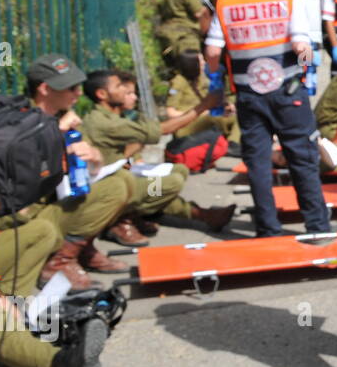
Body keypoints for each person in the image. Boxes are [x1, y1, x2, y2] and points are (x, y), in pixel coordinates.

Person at [204, 0, 334, 238]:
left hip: (248, 95)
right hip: (289, 92)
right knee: (302, 158)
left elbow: (212, 52)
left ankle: (268, 228)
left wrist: (217, 76)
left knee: (258, 162)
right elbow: (302, 44)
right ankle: (317, 227)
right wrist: (306, 72)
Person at [0, 55, 135, 291]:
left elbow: (87, 168)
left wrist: (95, 158)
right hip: (26, 218)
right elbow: (20, 180)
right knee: (114, 188)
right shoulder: (18, 125)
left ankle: (79, 250)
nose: (78, 93)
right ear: (45, 89)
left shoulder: (59, 117)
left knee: (121, 180)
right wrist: (55, 136)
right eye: (70, 88)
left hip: (55, 202)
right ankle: (58, 262)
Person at [81, 70, 236, 240]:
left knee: (178, 171)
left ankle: (195, 214)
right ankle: (125, 218)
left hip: (122, 177)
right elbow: (164, 129)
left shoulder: (118, 117)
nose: (128, 93)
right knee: (169, 183)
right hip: (109, 188)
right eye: (120, 87)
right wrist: (203, 106)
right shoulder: (106, 122)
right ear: (102, 94)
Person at [165, 50, 239, 147]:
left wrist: (225, 106)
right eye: (200, 61)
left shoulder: (200, 79)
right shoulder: (178, 82)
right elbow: (170, 113)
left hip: (203, 119)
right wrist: (198, 113)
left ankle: (233, 142)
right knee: (215, 119)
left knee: (237, 116)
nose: (204, 63)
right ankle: (231, 146)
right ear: (191, 64)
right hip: (186, 125)